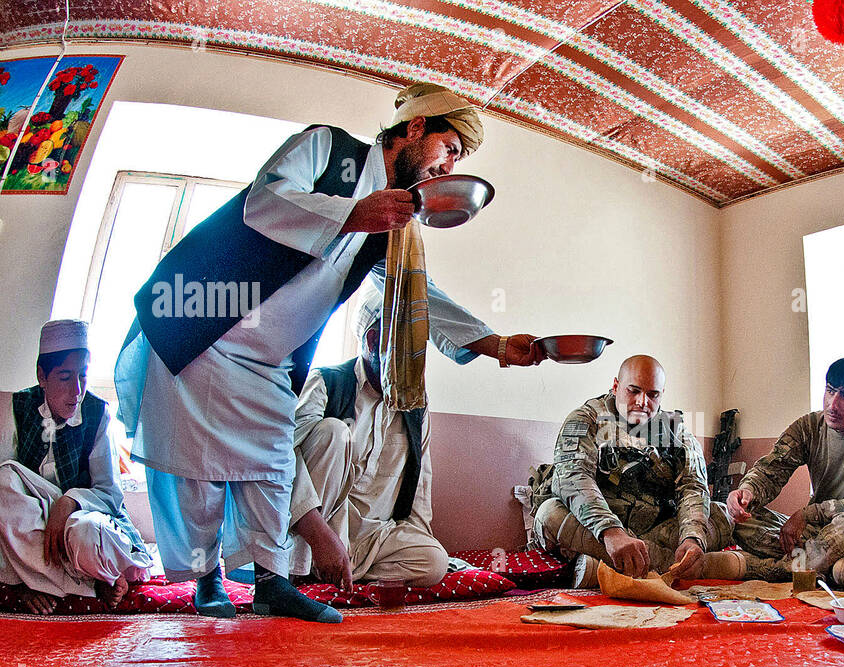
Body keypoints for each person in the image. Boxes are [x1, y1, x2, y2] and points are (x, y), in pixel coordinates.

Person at [114, 83, 540, 621]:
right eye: (450, 148)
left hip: (269, 360)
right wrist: (351, 212)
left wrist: (497, 344)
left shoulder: (393, 230)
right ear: (413, 129)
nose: (449, 166)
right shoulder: (328, 152)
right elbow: (264, 201)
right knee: (195, 472)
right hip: (203, 326)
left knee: (271, 464)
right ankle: (205, 581)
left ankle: (271, 585)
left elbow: (418, 296)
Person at [289, 289, 462, 589]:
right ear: (372, 341)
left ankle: (338, 571)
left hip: (375, 538)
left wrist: (421, 538)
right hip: (319, 527)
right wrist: (320, 536)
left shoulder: (416, 403)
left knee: (434, 561)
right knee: (335, 433)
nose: (415, 362)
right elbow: (283, 457)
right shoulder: (326, 382)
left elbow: (420, 485)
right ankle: (305, 565)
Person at [534, 355, 735, 586]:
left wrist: (692, 539)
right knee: (549, 513)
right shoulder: (586, 418)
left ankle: (611, 566)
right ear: (616, 386)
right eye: (634, 391)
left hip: (655, 528)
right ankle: (695, 567)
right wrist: (611, 531)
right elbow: (573, 479)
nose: (642, 402)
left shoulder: (674, 430)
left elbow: (694, 486)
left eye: (653, 395)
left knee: (722, 513)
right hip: (599, 530)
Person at [0, 320, 150, 613]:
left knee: (84, 533)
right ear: (42, 376)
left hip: (83, 517)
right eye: (65, 377)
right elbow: (10, 492)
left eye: (82, 376)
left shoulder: (97, 414)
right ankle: (93, 585)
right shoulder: (18, 407)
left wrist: (70, 501)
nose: (77, 390)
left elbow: (109, 493)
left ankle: (41, 579)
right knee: (3, 480)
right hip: (36, 519)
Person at [726, 357, 844, 585]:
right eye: (830, 391)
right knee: (735, 516)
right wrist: (746, 493)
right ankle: (829, 568)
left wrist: (807, 514)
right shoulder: (808, 427)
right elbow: (771, 469)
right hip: (816, 534)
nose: (833, 404)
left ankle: (771, 569)